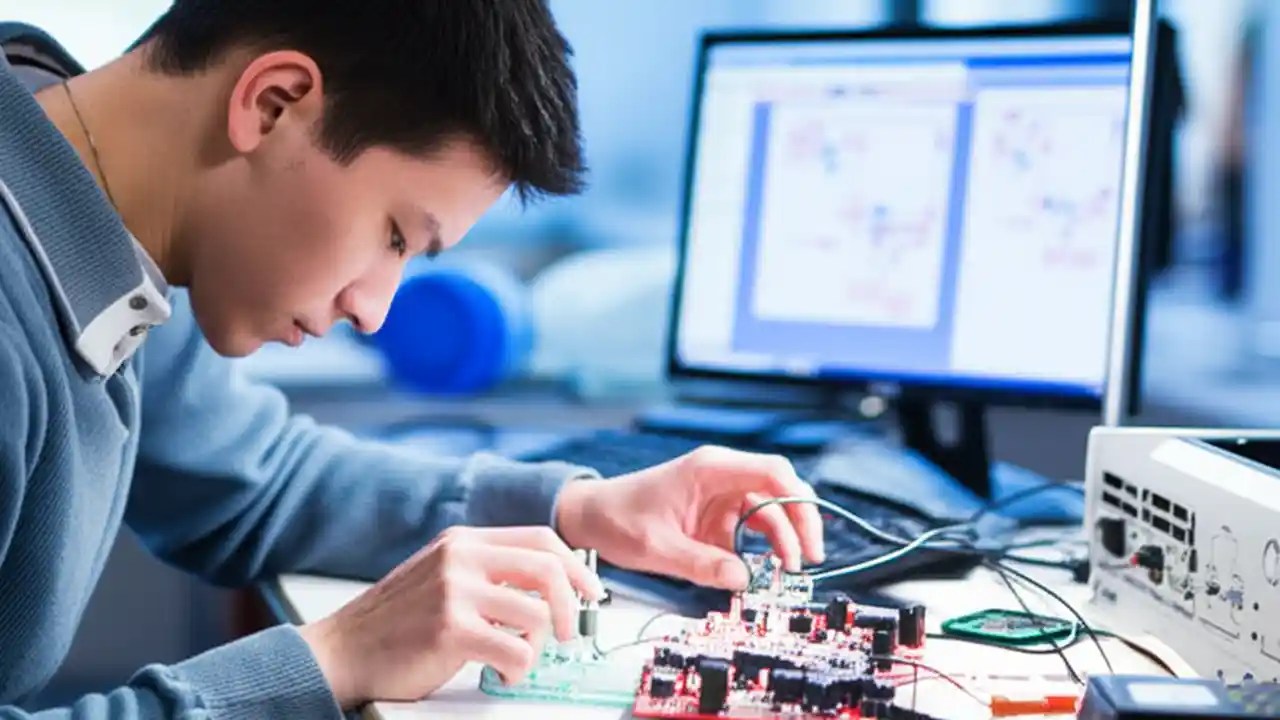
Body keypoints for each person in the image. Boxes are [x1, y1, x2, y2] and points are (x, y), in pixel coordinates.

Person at [0, 2, 824, 718]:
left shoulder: (111, 224)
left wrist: (578, 512)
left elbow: (256, 484)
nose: (372, 307)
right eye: (396, 235)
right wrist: (329, 661)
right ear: (275, 102)